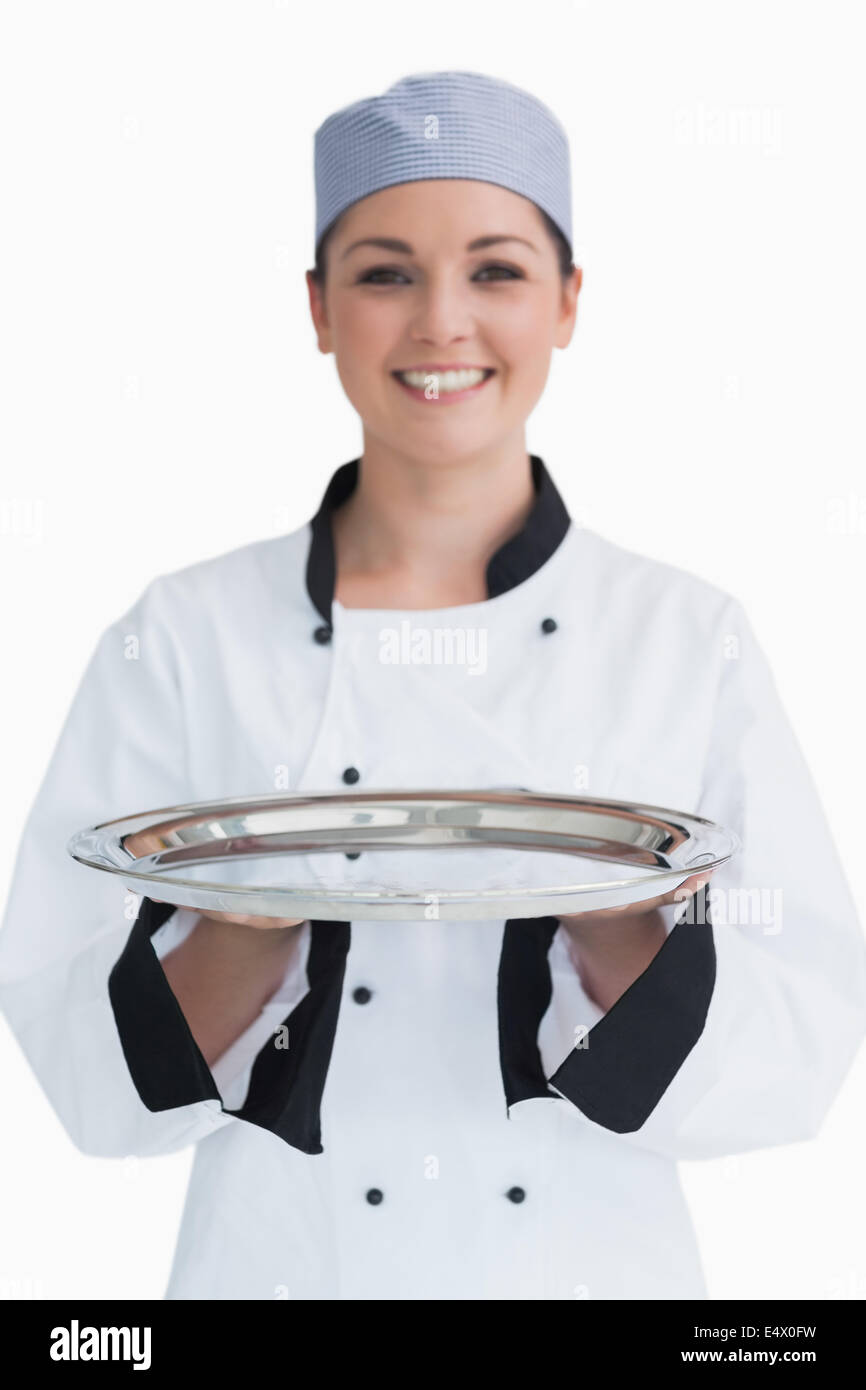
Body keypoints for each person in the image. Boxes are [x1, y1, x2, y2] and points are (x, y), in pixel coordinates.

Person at [1, 70, 864, 1302]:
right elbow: (81, 1072)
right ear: (316, 306)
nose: (439, 322)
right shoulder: (185, 633)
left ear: (569, 302)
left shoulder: (682, 636)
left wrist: (608, 907)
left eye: (497, 270)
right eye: (384, 271)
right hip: (280, 1273)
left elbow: (796, 1055)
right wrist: (252, 922)